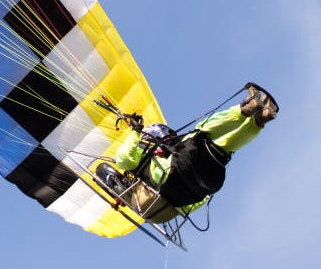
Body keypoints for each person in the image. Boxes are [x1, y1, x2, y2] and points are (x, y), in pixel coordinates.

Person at [99, 84, 278, 223]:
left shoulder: (165, 205)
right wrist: (136, 131)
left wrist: (136, 133)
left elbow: (197, 203)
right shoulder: (143, 164)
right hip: (176, 174)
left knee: (222, 150)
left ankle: (259, 121)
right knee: (200, 133)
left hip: (203, 182)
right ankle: (247, 109)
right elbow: (123, 158)